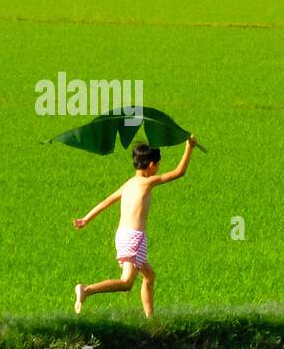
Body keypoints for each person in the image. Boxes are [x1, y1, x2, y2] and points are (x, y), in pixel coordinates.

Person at [73, 136, 196, 318]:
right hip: (133, 237)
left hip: (124, 235)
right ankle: (86, 290)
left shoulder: (128, 184)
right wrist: (189, 147)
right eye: (158, 164)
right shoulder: (147, 183)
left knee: (149, 276)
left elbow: (106, 201)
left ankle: (150, 317)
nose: (159, 168)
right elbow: (179, 172)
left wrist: (86, 219)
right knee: (126, 282)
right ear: (152, 165)